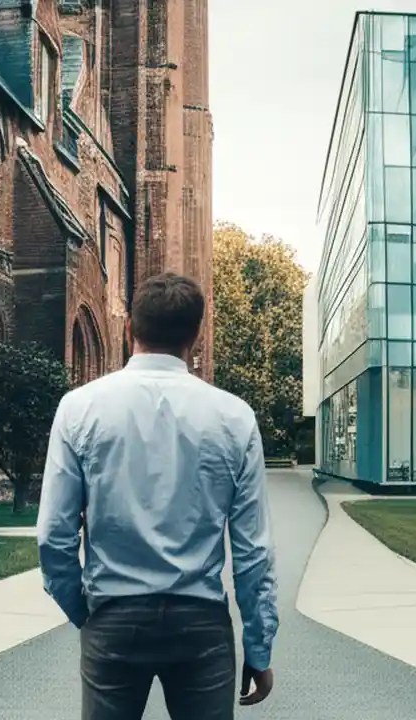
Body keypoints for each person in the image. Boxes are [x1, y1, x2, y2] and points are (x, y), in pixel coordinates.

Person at [37, 272, 279, 719]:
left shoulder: (80, 408)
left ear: (130, 328)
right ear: (197, 333)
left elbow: (54, 535)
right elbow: (253, 552)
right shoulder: (235, 417)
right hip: (200, 625)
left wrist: (87, 613)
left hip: (114, 616)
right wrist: (258, 647)